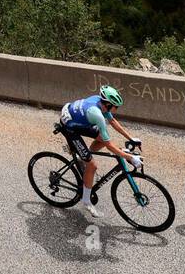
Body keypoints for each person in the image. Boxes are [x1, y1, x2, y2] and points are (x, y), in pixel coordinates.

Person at [57, 86, 143, 217]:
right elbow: (109, 145)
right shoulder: (97, 115)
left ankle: (83, 157)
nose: (116, 110)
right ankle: (86, 201)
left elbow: (113, 121)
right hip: (70, 126)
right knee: (92, 165)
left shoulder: (101, 102)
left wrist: (130, 138)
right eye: (116, 107)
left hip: (77, 118)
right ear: (108, 105)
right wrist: (129, 157)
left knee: (100, 140)